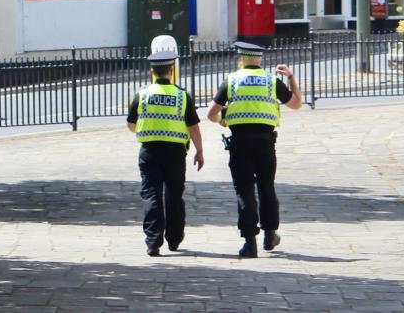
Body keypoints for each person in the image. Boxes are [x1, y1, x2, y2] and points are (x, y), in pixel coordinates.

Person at [206, 41, 302, 258]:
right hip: (266, 143)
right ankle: (270, 235)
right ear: (259, 59)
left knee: (244, 190)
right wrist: (291, 77)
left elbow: (211, 114)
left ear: (241, 59)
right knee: (266, 187)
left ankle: (250, 242)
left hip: (240, 144)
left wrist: (223, 120)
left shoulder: (231, 80)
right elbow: (296, 104)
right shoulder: (271, 81)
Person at [127, 50, 204, 257]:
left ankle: (153, 241)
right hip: (175, 153)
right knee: (174, 195)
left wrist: (145, 130)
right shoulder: (182, 96)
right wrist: (199, 150)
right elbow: (194, 127)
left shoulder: (142, 95)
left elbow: (131, 124)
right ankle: (174, 239)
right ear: (171, 71)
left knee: (151, 193)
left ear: (152, 71)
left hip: (149, 151)